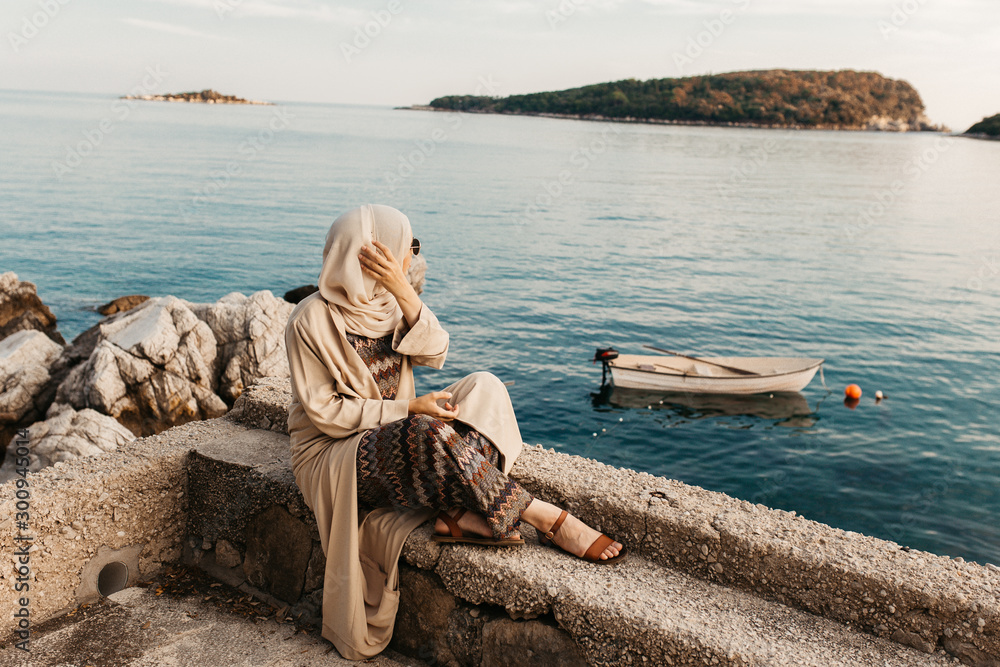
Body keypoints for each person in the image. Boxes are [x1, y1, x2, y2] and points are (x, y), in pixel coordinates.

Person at [283, 203, 624, 660]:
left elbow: (437, 351)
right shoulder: (309, 319)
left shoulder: (386, 303)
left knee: (485, 386)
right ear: (368, 255)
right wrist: (408, 407)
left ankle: (457, 511)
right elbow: (326, 415)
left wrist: (404, 290)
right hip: (335, 455)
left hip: (396, 430)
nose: (412, 254)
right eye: (409, 247)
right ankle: (542, 516)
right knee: (428, 433)